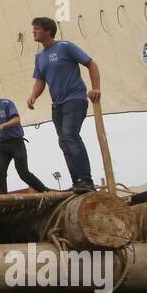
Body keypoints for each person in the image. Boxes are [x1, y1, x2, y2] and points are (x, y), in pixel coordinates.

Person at [27, 17, 100, 193]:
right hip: (57, 105)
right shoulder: (40, 57)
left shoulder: (65, 47)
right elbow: (40, 80)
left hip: (74, 99)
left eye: (36, 29)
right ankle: (77, 181)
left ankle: (86, 180)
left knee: (70, 135)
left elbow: (91, 64)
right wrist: (33, 96)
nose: (33, 32)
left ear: (47, 30)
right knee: (64, 142)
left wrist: (96, 88)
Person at [0, 82, 49, 195]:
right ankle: (3, 199)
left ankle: (45, 191)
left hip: (16, 142)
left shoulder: (7, 103)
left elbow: (17, 120)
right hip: (2, 145)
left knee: (23, 173)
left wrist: (3, 125)